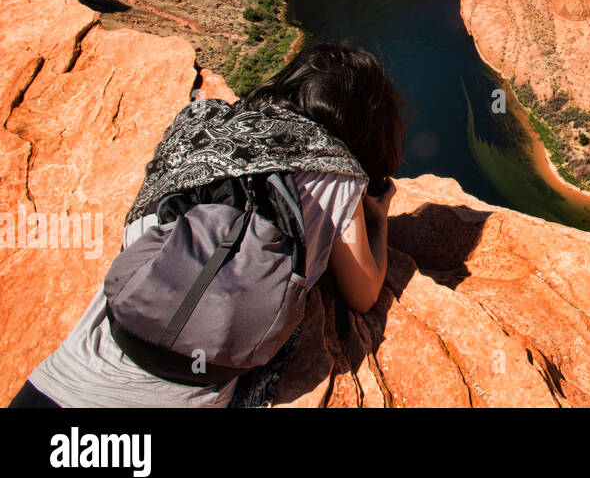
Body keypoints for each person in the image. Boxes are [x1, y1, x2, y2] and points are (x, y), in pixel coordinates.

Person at [7, 42, 405, 408]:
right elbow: (363, 293)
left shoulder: (201, 124)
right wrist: (377, 216)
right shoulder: (338, 172)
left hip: (64, 378)